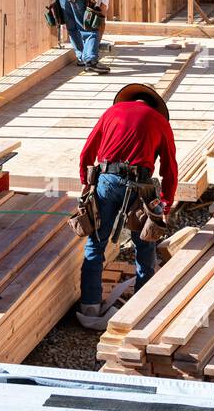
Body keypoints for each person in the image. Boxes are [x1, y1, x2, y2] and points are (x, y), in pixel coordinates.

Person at [76, 83, 178, 327]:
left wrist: (84, 183)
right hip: (141, 186)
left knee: (96, 243)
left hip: (106, 181)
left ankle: (89, 306)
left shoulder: (111, 113)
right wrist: (166, 203)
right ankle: (140, 308)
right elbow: (170, 167)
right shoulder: (160, 122)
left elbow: (86, 152)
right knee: (144, 244)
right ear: (154, 106)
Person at [47, 0, 112, 71]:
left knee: (73, 29)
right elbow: (101, 22)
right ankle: (91, 61)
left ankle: (82, 58)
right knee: (91, 29)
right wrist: (96, 42)